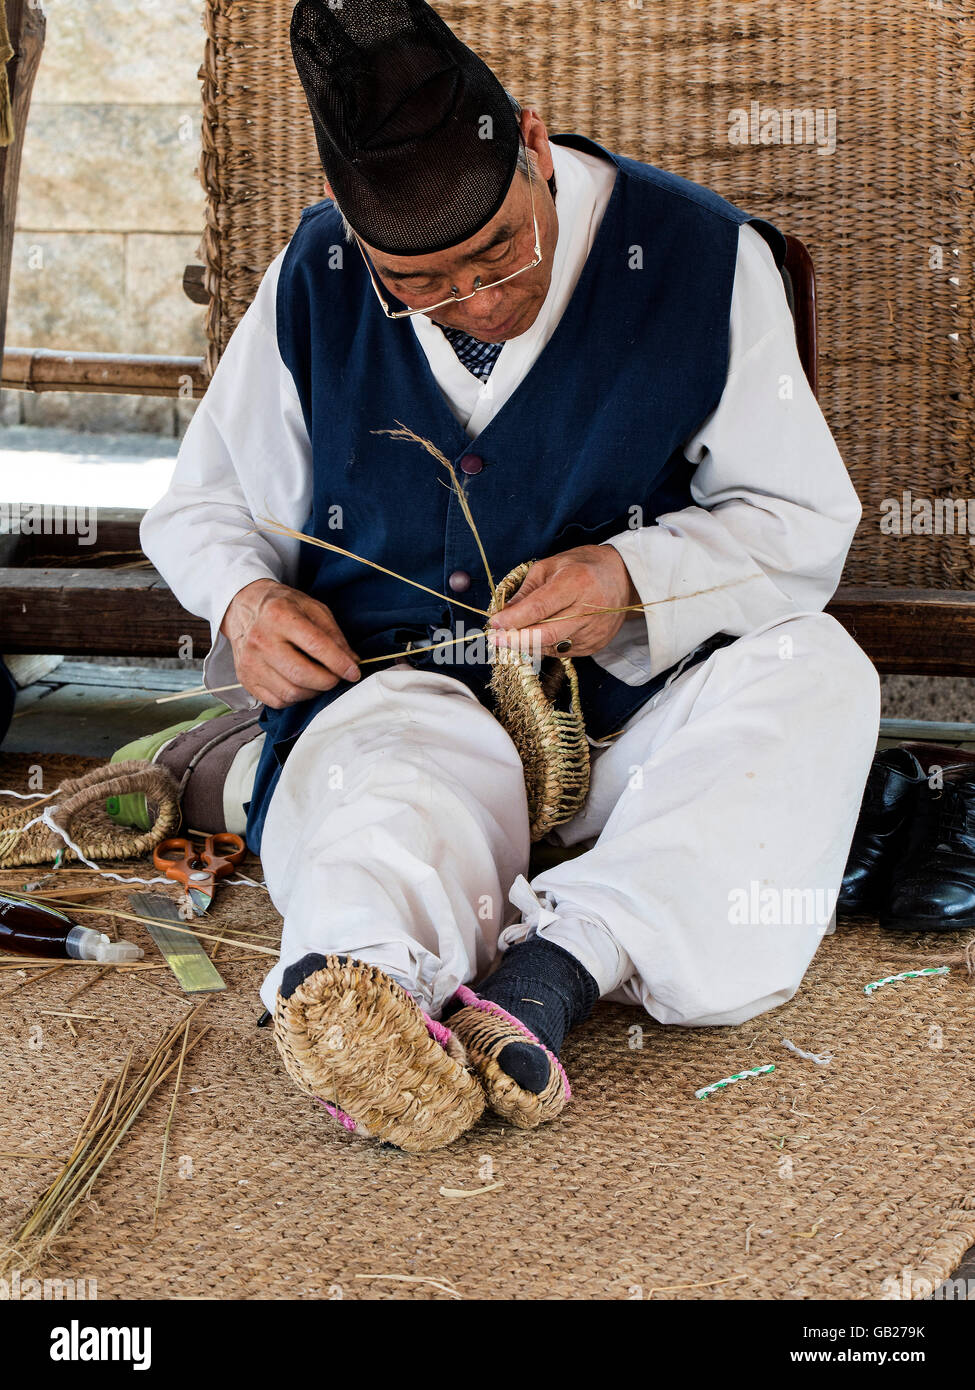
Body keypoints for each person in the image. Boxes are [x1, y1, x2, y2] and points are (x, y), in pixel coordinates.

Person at [141, 0, 879, 1152]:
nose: (478, 302)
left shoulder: (694, 254)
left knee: (819, 672)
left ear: (533, 147)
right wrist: (245, 597)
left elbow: (802, 524)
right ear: (355, 230)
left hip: (634, 734)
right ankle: (361, 995)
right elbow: (205, 504)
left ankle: (552, 972)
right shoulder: (318, 273)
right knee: (393, 791)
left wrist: (633, 576)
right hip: (403, 707)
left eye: (498, 253)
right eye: (421, 283)